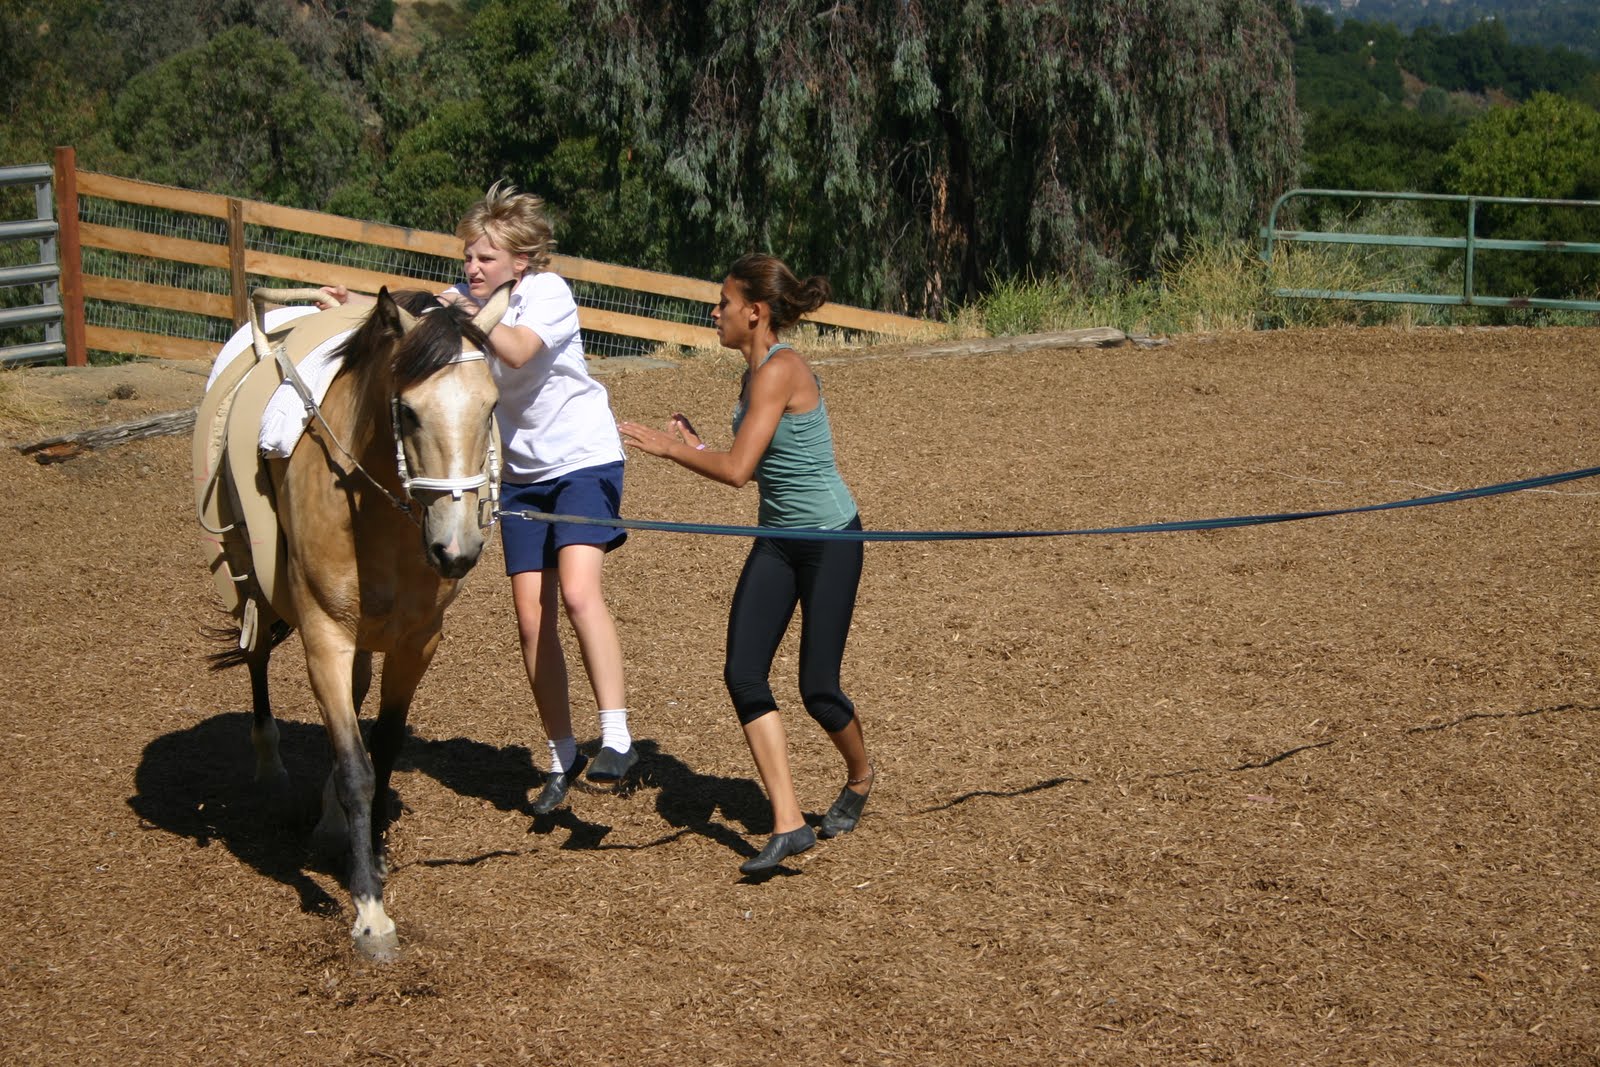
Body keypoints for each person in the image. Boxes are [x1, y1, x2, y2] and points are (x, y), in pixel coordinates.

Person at [322, 181, 636, 815]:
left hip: (581, 459)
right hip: (519, 473)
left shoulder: (547, 294)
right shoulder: (467, 301)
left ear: (521, 261)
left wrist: (457, 308)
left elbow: (517, 350)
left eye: (485, 259)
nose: (472, 268)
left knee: (577, 592)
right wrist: (351, 303)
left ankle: (618, 736)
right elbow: (407, 310)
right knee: (529, 619)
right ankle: (560, 753)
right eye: (468, 256)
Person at [618, 253, 872, 875]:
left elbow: (735, 475)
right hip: (779, 539)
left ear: (754, 312)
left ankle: (861, 776)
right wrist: (701, 444)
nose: (715, 312)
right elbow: (747, 460)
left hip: (830, 540)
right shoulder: (752, 371)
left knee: (818, 688)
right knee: (743, 673)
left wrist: (673, 450)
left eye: (724, 303)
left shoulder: (779, 372)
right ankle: (788, 822)